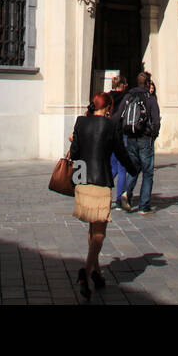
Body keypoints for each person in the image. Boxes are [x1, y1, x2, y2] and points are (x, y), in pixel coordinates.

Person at [69, 91, 133, 298]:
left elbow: (76, 153)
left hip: (83, 182)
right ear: (108, 108)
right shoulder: (111, 126)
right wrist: (133, 168)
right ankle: (85, 272)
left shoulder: (80, 122)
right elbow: (120, 152)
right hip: (101, 181)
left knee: (92, 229)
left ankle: (97, 273)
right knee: (99, 233)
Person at [117, 71, 160, 214]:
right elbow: (156, 121)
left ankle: (126, 193)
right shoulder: (150, 98)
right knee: (148, 172)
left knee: (134, 168)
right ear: (148, 83)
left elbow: (118, 115)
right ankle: (143, 206)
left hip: (130, 137)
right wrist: (153, 135)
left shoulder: (129, 96)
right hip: (145, 138)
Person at [108, 76, 129, 208]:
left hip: (109, 134)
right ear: (122, 85)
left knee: (113, 167)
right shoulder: (125, 97)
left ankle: (104, 193)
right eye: (125, 84)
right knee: (122, 169)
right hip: (121, 134)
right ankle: (119, 199)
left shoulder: (107, 97)